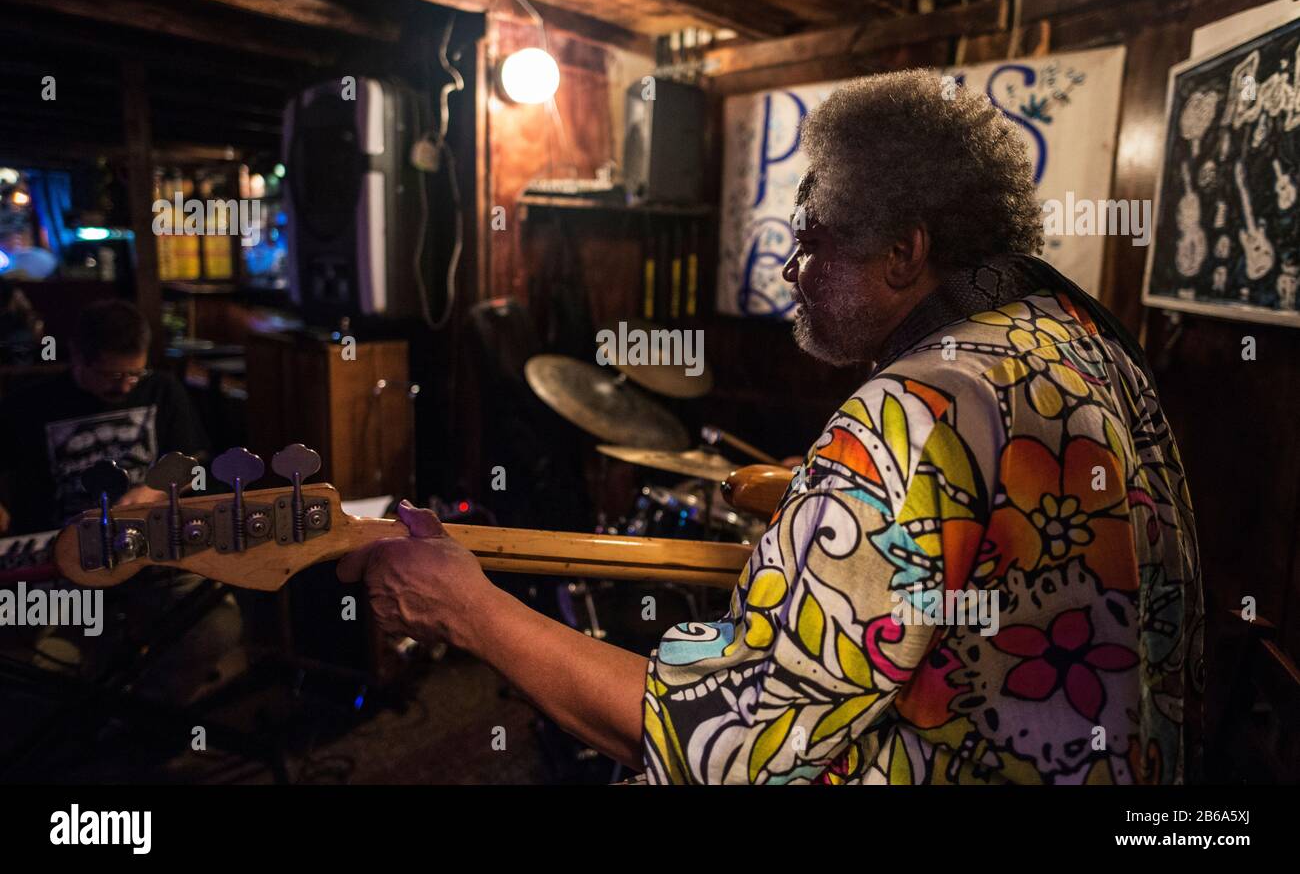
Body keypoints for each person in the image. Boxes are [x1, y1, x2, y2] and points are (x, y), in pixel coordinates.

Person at [340, 70, 1204, 785]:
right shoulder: (1077, 337)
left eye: (812, 241)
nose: (790, 268)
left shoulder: (913, 407)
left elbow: (730, 748)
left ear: (905, 252)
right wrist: (834, 495)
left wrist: (470, 610)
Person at [0, 299, 209, 534]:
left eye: (135, 374)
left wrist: (154, 490)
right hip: (60, 540)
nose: (126, 387)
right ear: (78, 356)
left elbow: (192, 466)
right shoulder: (30, 404)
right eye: (113, 375)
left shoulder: (162, 389)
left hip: (146, 535)